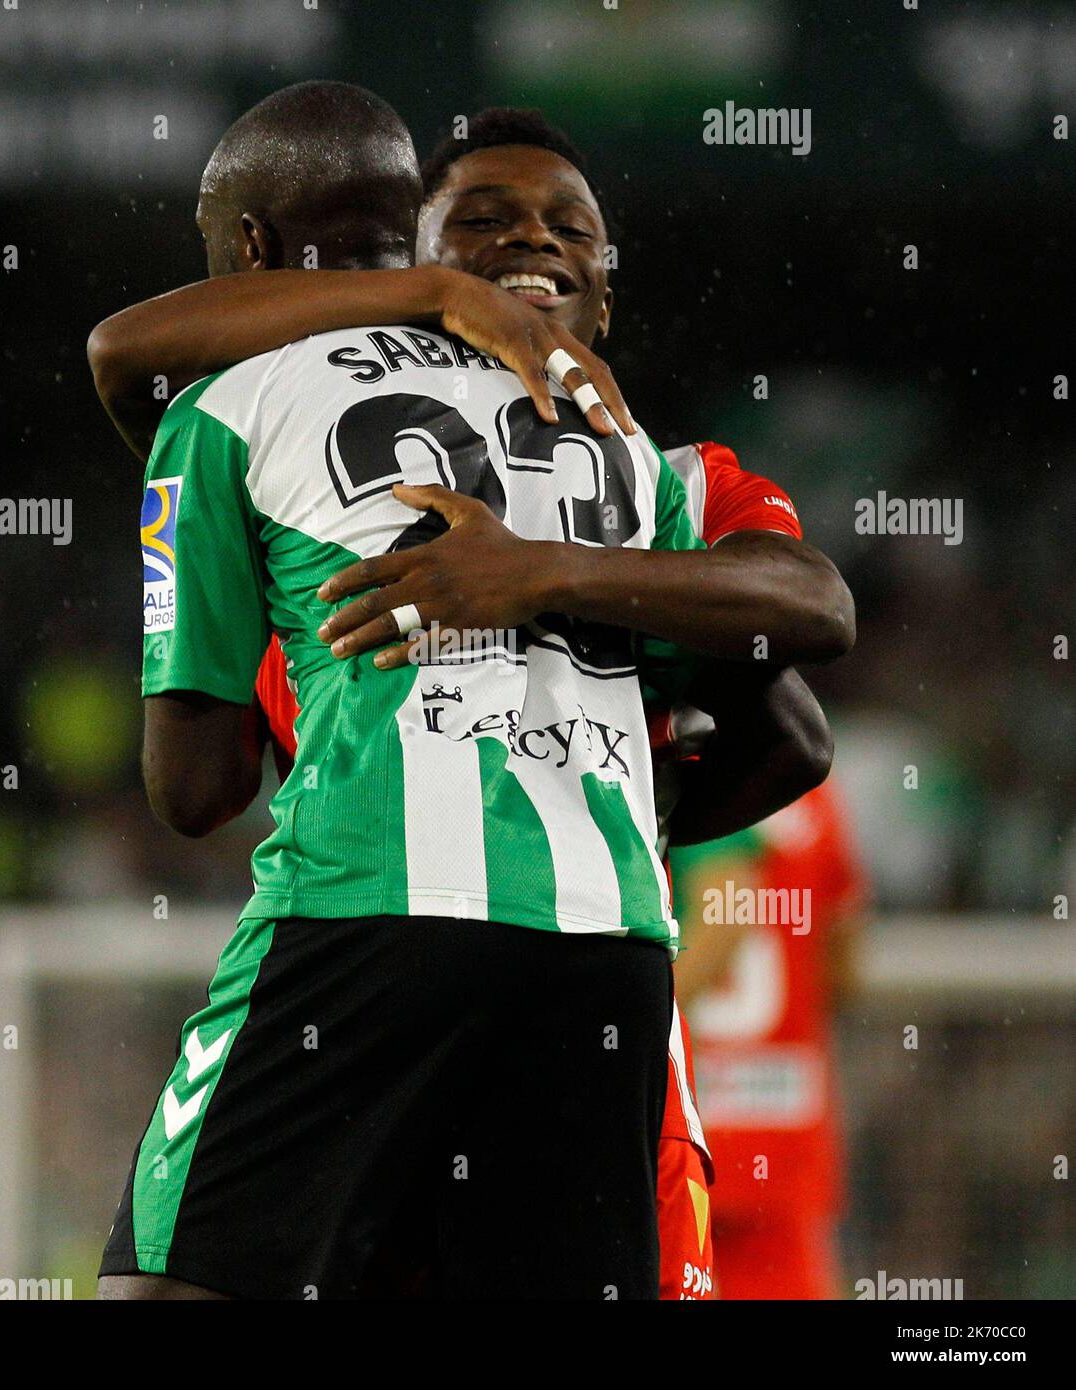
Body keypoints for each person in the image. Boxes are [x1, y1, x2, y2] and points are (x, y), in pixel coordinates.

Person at [90, 96, 854, 1299]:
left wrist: (529, 574)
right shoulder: (636, 461)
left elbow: (193, 785)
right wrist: (601, 809)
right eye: (488, 223)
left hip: (364, 921)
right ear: (413, 248)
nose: (535, 245)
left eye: (569, 226)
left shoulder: (242, 413)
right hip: (602, 958)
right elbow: (791, 724)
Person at [670, 777, 869, 1300]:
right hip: (783, 1126)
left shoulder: (651, 776)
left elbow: (725, 923)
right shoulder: (813, 790)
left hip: (680, 1125)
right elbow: (843, 965)